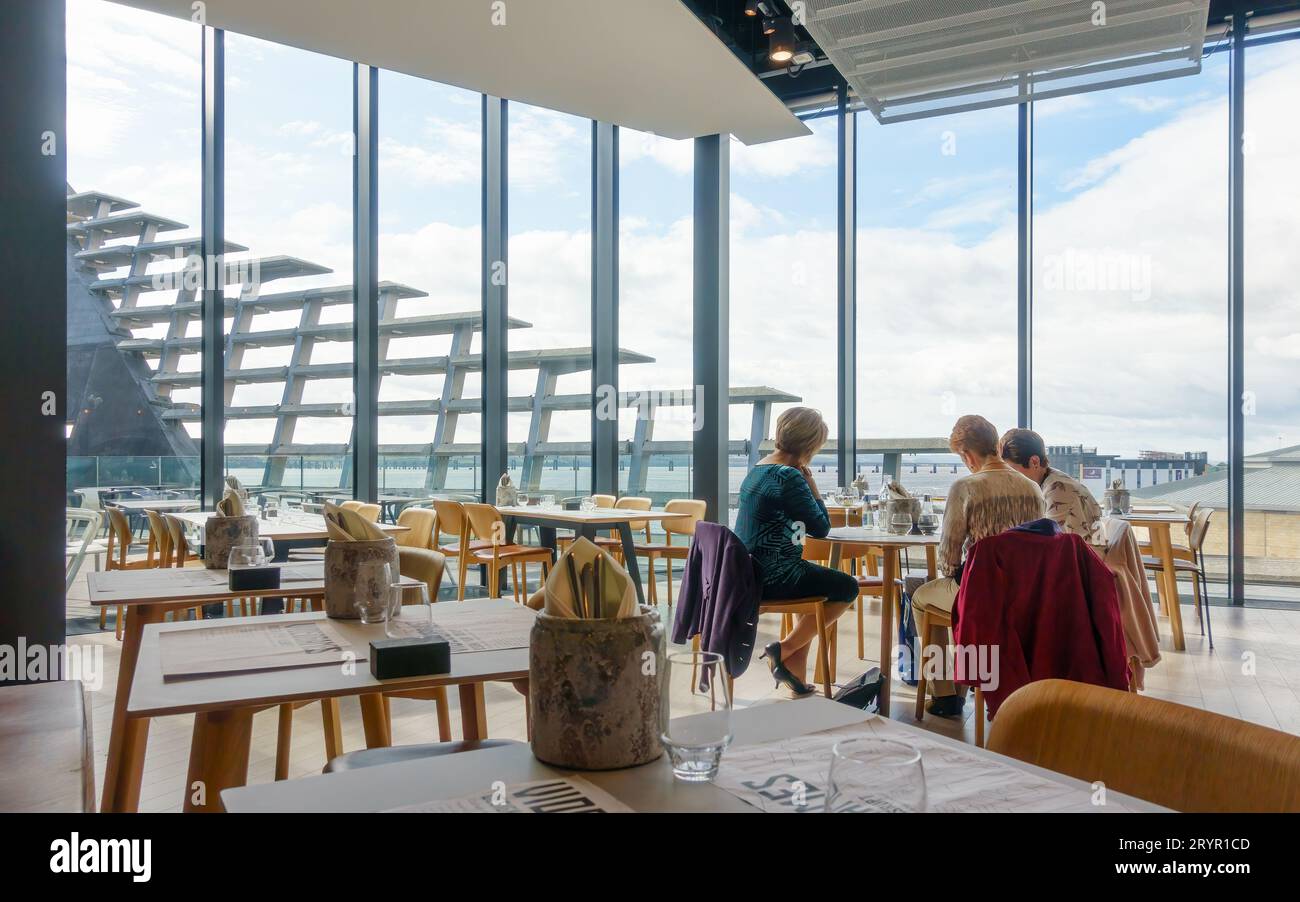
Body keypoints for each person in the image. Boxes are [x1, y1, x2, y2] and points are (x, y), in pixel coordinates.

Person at [911, 414, 1045, 716]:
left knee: (922, 598)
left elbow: (948, 558)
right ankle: (969, 675)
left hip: (984, 596)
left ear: (967, 455)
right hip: (1027, 593)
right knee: (963, 596)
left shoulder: (966, 487)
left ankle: (946, 693)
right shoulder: (1033, 489)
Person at [734, 406, 856, 696]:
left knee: (817, 590)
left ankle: (796, 676)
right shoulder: (789, 476)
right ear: (811, 444)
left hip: (747, 573)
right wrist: (813, 485)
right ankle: (783, 649)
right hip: (776, 575)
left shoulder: (758, 469)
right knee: (847, 586)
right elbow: (821, 527)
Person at [999, 428, 1104, 546]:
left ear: (1034, 462)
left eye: (1013, 471)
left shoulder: (1058, 488)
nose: (1010, 478)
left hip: (1084, 560)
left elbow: (1041, 541)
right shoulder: (1047, 480)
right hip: (1073, 555)